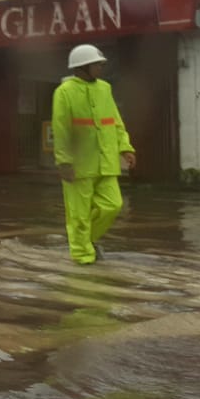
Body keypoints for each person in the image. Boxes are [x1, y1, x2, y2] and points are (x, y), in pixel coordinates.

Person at [52, 44, 136, 265]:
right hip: (78, 166)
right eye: (97, 65)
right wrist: (64, 162)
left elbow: (115, 121)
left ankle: (86, 241)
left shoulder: (105, 88)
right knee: (78, 215)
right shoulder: (64, 93)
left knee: (113, 205)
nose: (101, 68)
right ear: (82, 67)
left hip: (105, 161)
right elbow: (61, 130)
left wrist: (125, 147)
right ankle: (83, 260)